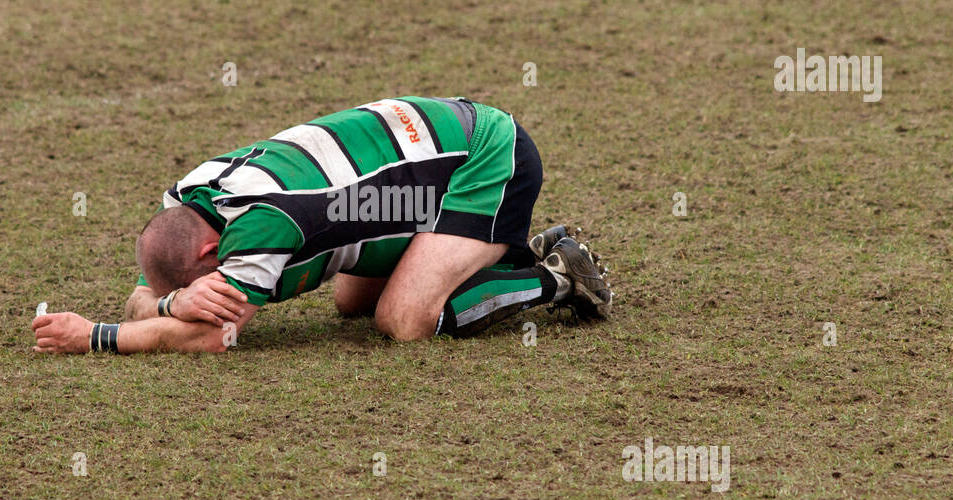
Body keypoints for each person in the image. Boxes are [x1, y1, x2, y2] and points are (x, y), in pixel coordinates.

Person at [31, 96, 611, 355]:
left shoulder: (264, 224)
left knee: (403, 321)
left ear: (213, 248)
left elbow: (214, 336)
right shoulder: (182, 200)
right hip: (413, 172)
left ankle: (555, 274)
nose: (212, 289)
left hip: (482, 154)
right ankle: (489, 252)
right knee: (350, 304)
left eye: (207, 279)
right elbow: (151, 294)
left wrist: (95, 336)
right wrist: (168, 304)